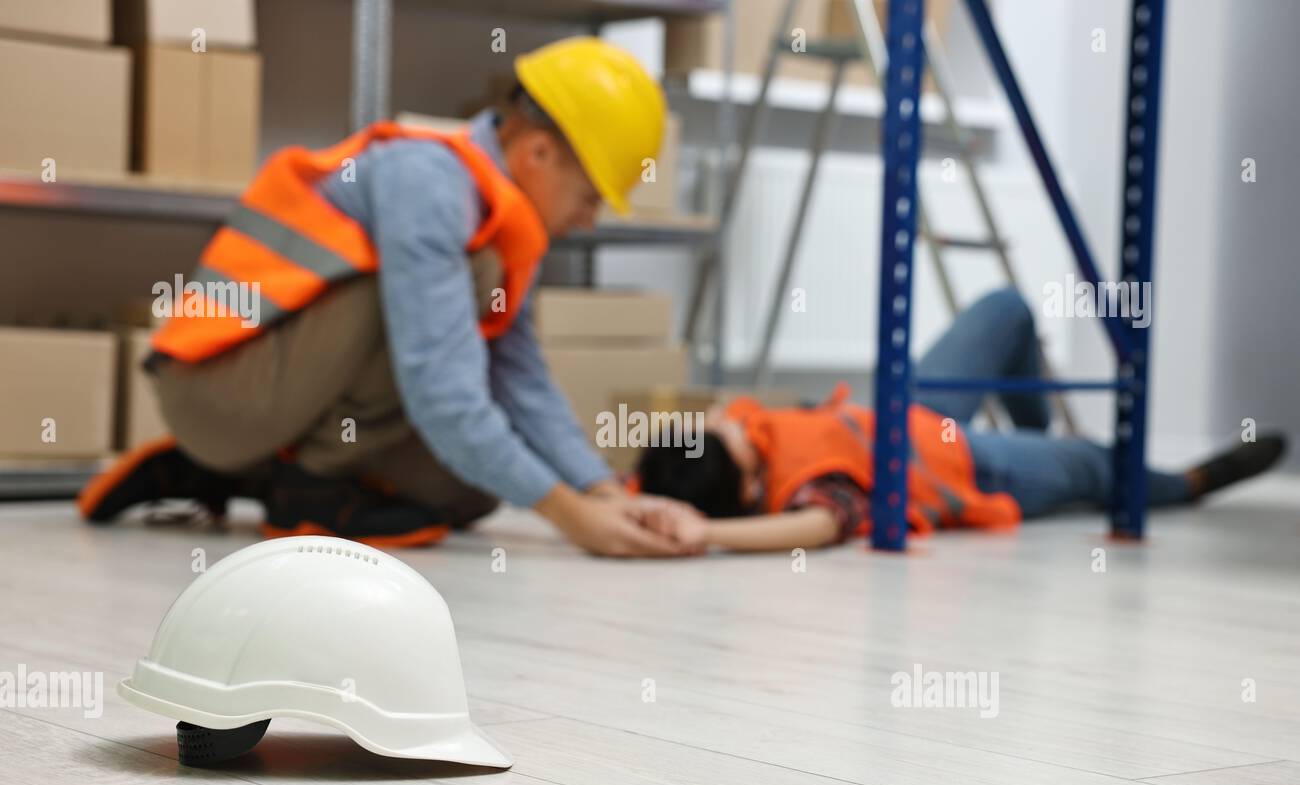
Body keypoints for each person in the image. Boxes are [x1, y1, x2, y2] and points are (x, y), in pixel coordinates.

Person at [78, 37, 692, 557]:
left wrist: (598, 490)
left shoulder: (499, 222)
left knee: (468, 492)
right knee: (471, 284)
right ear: (537, 153)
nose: (588, 221)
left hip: (278, 396)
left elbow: (521, 378)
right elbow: (441, 392)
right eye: (590, 198)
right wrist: (570, 517)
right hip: (216, 391)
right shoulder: (427, 182)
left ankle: (237, 471)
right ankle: (304, 489)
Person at [637, 288, 1287, 553]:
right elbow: (821, 525)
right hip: (965, 461)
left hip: (912, 406)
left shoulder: (726, 444)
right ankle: (1188, 482)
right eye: (736, 444)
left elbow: (705, 436)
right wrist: (710, 533)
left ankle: (1044, 435)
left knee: (1007, 309)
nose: (735, 423)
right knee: (1094, 466)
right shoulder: (803, 493)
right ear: (748, 491)